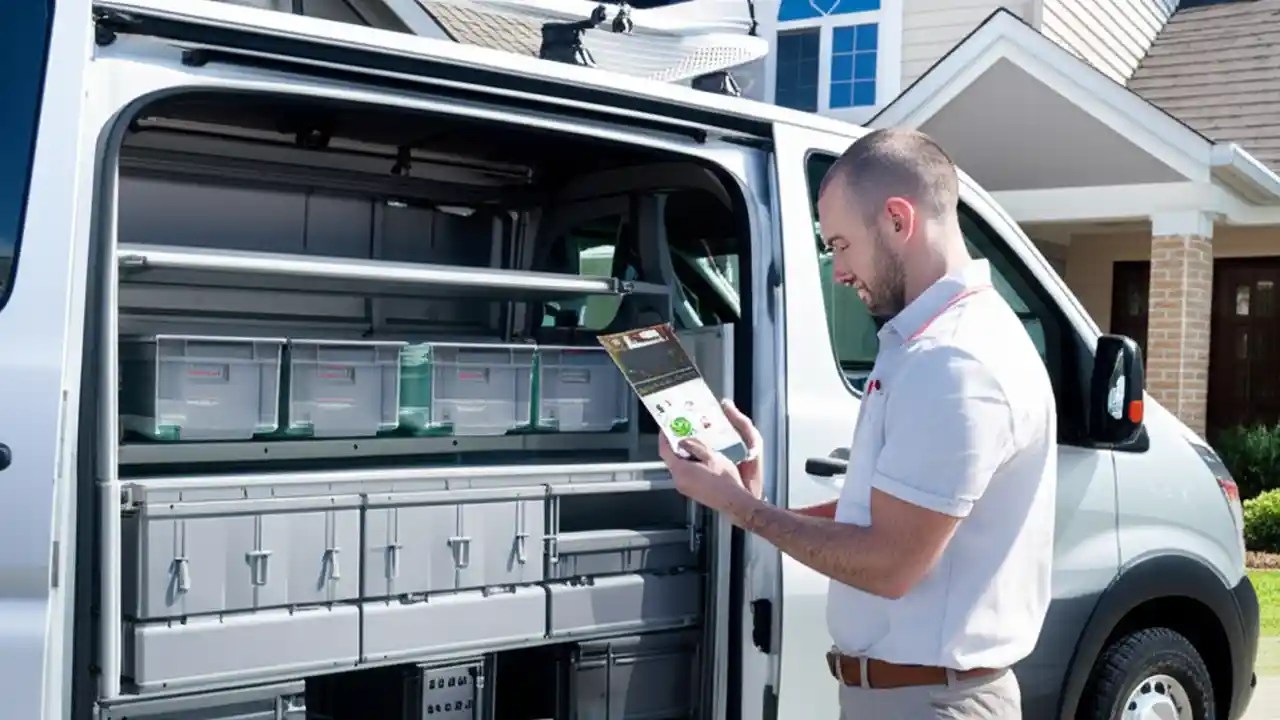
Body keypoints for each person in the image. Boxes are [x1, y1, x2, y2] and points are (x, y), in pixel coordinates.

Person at [657, 127, 1057, 719]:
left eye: (841, 245)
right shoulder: (936, 342)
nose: (838, 271)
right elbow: (879, 516)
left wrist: (742, 509)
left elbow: (890, 563)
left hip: (928, 702)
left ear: (898, 220)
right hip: (917, 696)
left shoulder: (954, 360)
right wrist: (753, 502)